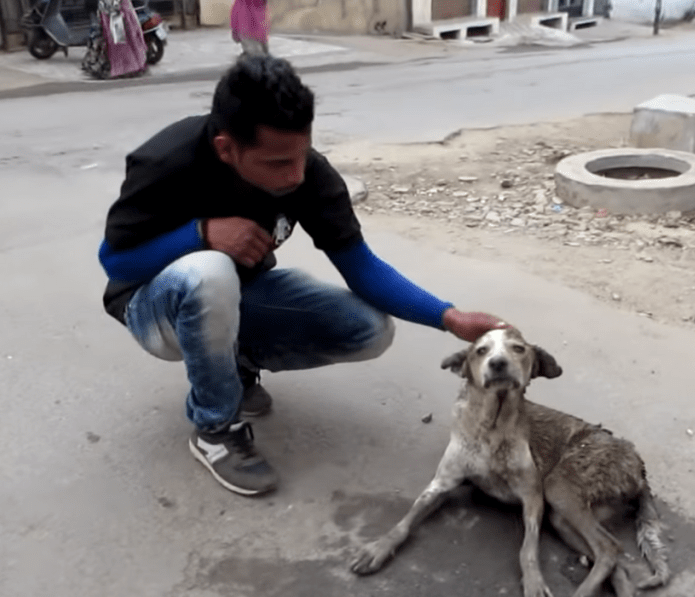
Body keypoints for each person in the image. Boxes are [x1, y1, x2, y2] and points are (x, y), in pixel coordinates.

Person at [97, 55, 509, 496]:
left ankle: (235, 365)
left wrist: (448, 317)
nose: (294, 175)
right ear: (225, 149)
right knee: (210, 270)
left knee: (369, 330)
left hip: (234, 292)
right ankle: (213, 427)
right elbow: (116, 264)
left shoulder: (308, 173)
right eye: (276, 163)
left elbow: (362, 267)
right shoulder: (168, 160)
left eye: (301, 154)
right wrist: (201, 234)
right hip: (152, 305)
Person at [81, 0, 148, 80]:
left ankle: (124, 68)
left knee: (119, 43)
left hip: (115, 12)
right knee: (122, 41)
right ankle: (130, 67)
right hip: (115, 11)